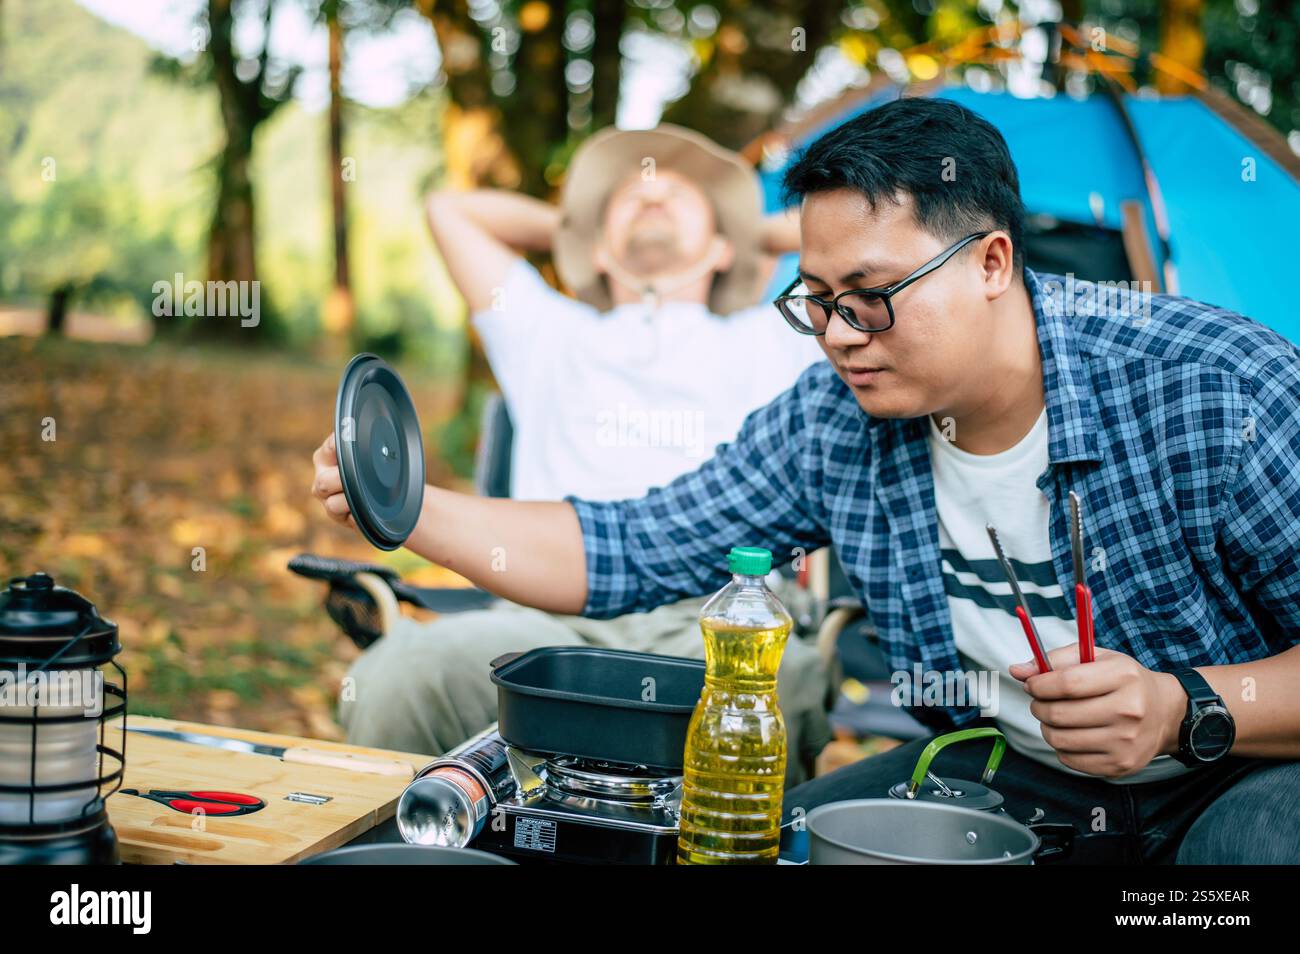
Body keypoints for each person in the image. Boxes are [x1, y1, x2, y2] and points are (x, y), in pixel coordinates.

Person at [314, 97, 1300, 863]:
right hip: (1006, 776)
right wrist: (406, 508)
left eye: (869, 297)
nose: (836, 336)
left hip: (1237, 774)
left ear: (993, 263)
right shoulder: (834, 420)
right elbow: (629, 547)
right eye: (817, 300)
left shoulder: (1214, 389)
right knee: (766, 849)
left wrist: (1185, 707)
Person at [330, 124, 832, 786]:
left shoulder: (778, 334)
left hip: (719, 615)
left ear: (721, 247)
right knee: (401, 672)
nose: (653, 198)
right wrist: (580, 233)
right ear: (595, 248)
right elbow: (451, 210)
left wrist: (747, 235)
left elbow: (860, 239)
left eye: (678, 195)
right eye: (631, 198)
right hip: (544, 616)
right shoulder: (547, 333)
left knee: (778, 683)